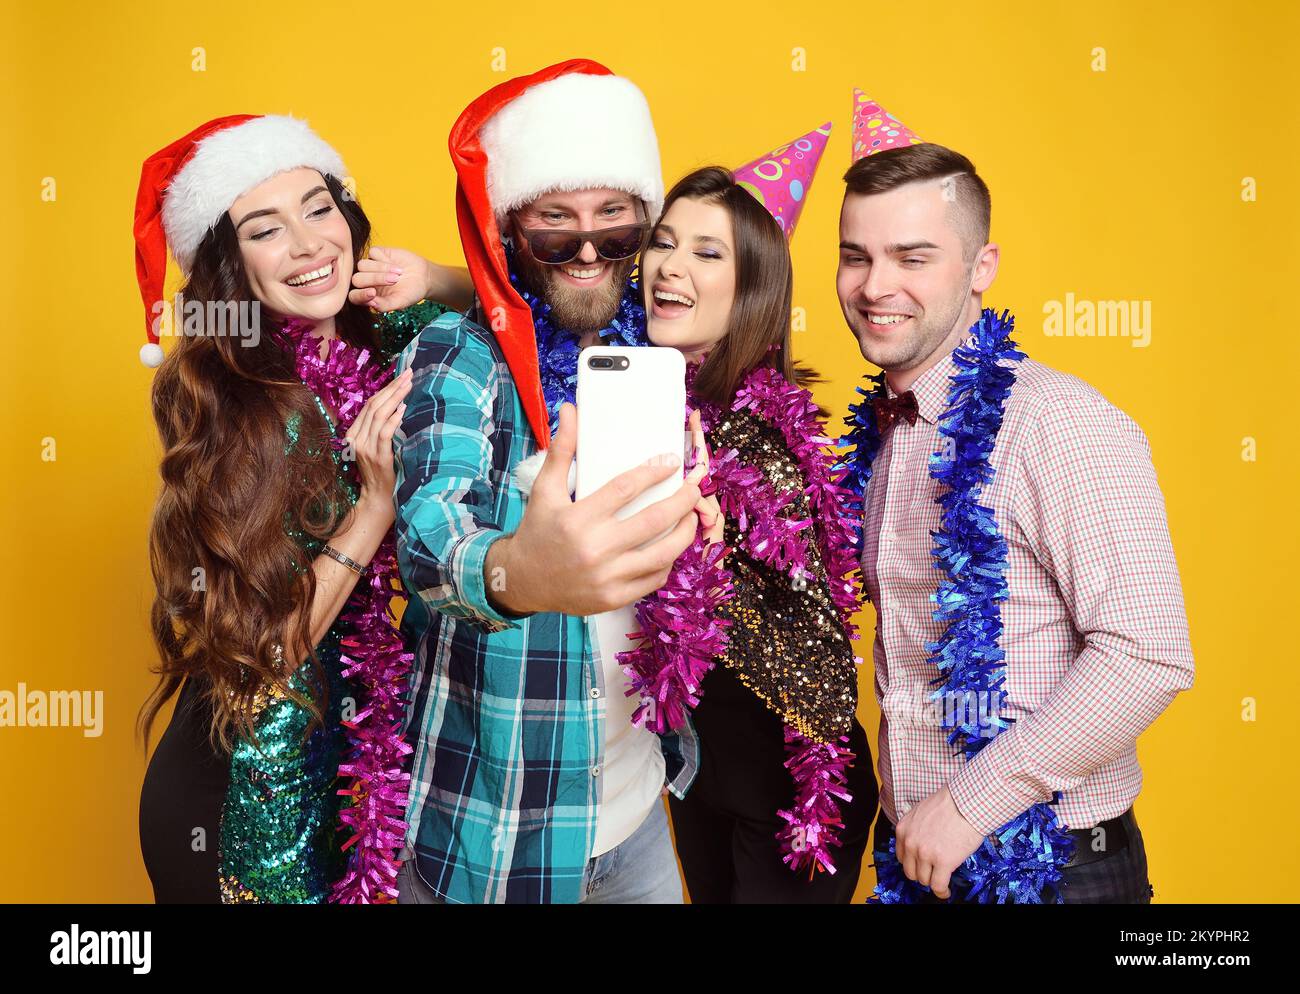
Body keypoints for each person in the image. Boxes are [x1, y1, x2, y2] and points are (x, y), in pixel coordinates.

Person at [834, 91, 1195, 903]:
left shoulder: (1055, 422)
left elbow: (1148, 654)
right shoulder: (892, 429)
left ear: (981, 268)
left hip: (1054, 870)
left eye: (912, 257)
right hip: (923, 867)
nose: (874, 284)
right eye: (856, 255)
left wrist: (971, 802)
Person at [389, 60, 707, 904]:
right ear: (510, 232)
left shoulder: (662, 353)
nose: (591, 248)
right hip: (495, 835)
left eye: (616, 219)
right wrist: (519, 575)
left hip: (637, 818)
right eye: (555, 222)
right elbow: (429, 535)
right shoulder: (459, 358)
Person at [134, 114, 439, 903]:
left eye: (319, 207)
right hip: (239, 806)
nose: (308, 244)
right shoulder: (236, 402)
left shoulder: (385, 351)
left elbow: (532, 317)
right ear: (230, 269)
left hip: (343, 781)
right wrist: (372, 510)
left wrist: (436, 278)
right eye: (266, 230)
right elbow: (261, 657)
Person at [623, 134, 880, 903]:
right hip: (698, 774)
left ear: (751, 290)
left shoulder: (756, 435)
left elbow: (819, 661)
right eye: (663, 242)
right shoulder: (649, 401)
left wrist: (716, 550)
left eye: (708, 253)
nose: (670, 266)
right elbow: (548, 307)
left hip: (793, 800)